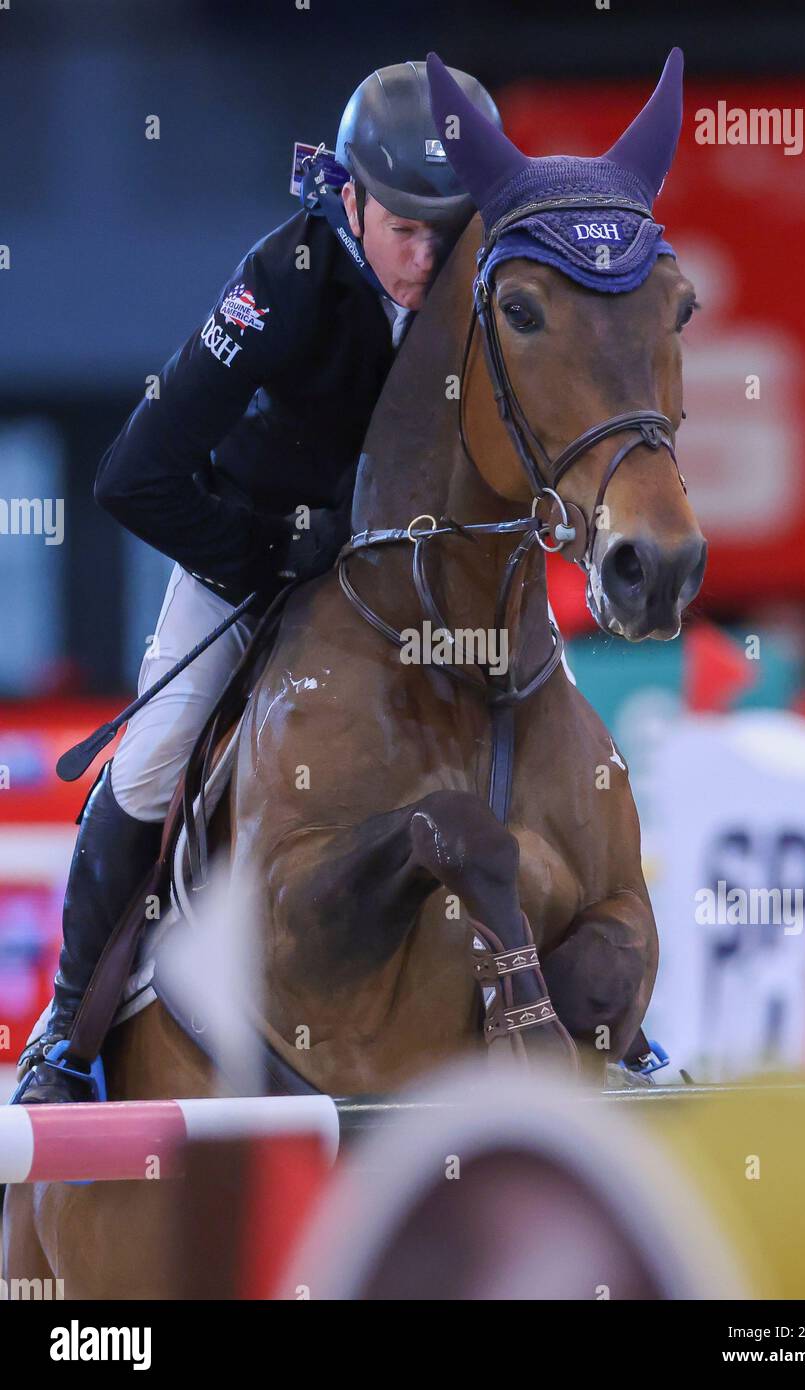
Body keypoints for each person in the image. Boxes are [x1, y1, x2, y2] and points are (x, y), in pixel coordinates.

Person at [14, 60, 501, 1103]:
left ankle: (611, 1018)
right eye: (405, 228)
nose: (427, 257)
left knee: (535, 715)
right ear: (351, 197)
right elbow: (131, 474)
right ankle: (66, 1033)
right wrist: (275, 545)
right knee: (149, 761)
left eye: (448, 230)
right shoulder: (281, 278)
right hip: (259, 564)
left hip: (415, 572)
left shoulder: (479, 277)